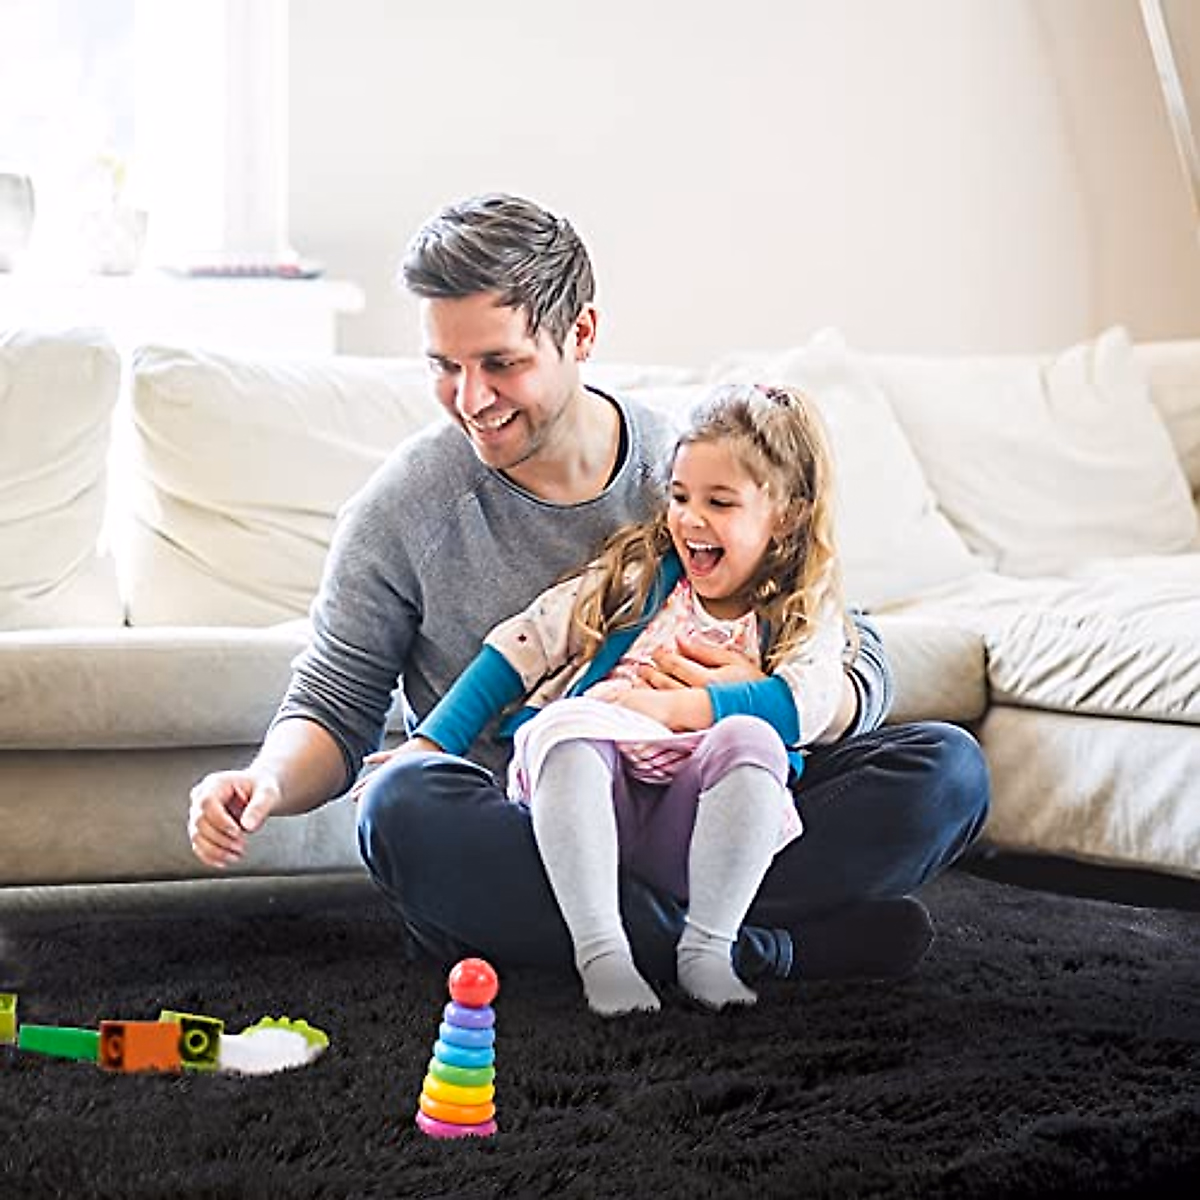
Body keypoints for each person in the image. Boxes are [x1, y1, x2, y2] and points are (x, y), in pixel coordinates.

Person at [188, 192, 990, 994]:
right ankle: (763, 949)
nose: (471, 398)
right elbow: (334, 701)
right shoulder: (404, 510)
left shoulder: (691, 471)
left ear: (581, 335)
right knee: (400, 808)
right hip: (538, 826)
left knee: (948, 770)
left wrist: (751, 701)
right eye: (444, 367)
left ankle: (646, 937)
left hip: (717, 796)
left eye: (501, 363)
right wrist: (266, 782)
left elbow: (848, 641)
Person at [397, 381, 854, 1015]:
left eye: (720, 502)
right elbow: (527, 643)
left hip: (695, 825)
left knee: (755, 739)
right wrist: (430, 742)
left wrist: (675, 709)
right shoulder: (640, 575)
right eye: (680, 496)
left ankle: (708, 950)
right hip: (591, 802)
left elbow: (808, 703)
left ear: (788, 514)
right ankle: (603, 953)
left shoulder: (803, 610)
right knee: (566, 728)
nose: (691, 519)